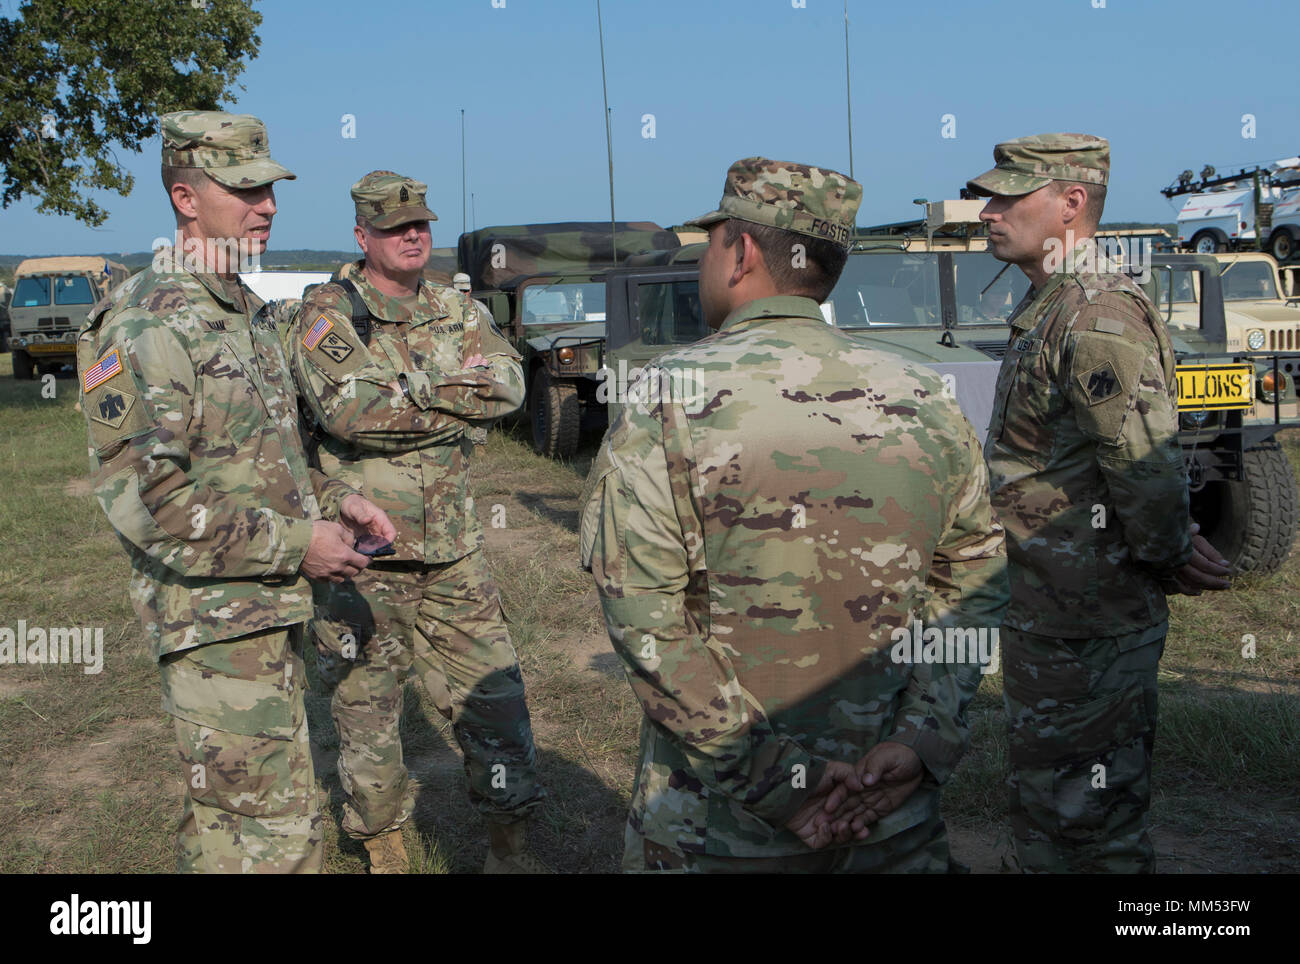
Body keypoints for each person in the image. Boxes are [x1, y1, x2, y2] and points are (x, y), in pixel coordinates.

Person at [580, 157, 1009, 872]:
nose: (701, 263)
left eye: (710, 243)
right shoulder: (923, 395)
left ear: (741, 252)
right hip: (888, 813)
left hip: (717, 827)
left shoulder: (668, 396)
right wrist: (923, 737)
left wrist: (780, 784)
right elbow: (975, 582)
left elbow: (643, 614)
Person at [76, 111, 395, 873]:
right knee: (268, 843)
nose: (268, 206)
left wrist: (333, 499)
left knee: (250, 835)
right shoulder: (147, 323)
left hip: (266, 609)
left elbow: (268, 458)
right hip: (213, 626)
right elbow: (146, 501)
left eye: (271, 189)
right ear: (186, 198)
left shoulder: (244, 314)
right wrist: (297, 543)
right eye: (245, 189)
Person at [967, 133, 1233, 873]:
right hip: (1051, 610)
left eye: (1007, 196)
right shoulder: (1053, 302)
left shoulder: (1096, 313)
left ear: (1071, 203)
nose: (987, 211)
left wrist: (1170, 550)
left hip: (1090, 618)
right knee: (1049, 812)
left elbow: (1141, 464)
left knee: (1087, 827)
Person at [286, 170, 546, 874]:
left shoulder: (454, 306)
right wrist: (454, 390)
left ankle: (510, 848)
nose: (414, 237)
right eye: (396, 227)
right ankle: (385, 851)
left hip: (456, 554)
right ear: (361, 235)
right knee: (367, 720)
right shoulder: (327, 311)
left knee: (497, 705)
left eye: (422, 224)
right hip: (366, 560)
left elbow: (511, 386)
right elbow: (351, 414)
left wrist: (407, 388)